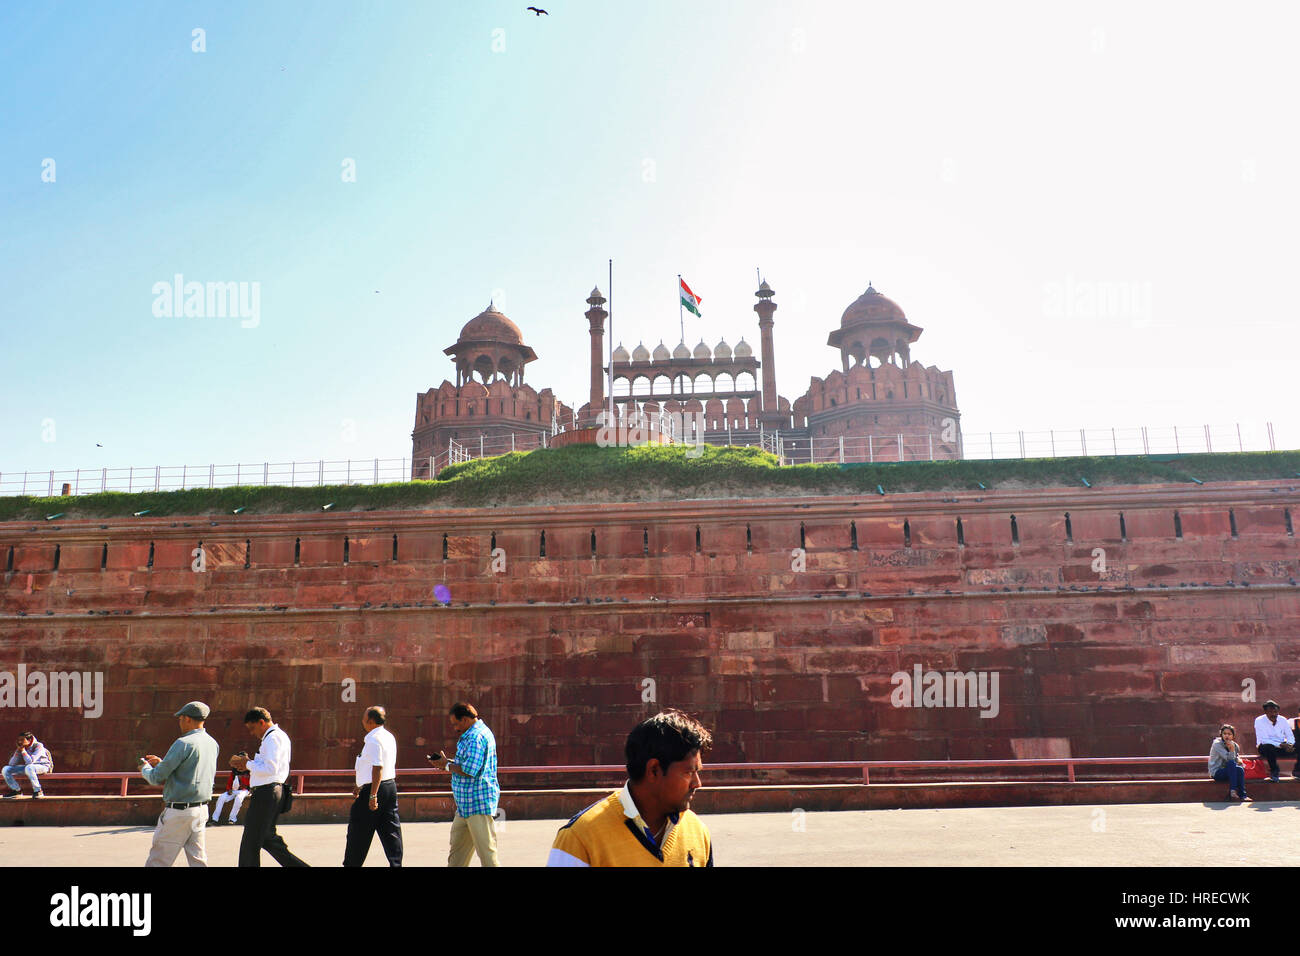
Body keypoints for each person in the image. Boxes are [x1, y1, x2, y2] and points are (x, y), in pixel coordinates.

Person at [547, 709, 713, 867]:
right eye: (689, 772)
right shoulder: (580, 838)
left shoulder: (697, 831)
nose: (697, 783)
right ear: (654, 770)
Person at [140, 701, 220, 867]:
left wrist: (144, 768)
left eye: (181, 718)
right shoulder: (212, 743)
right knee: (198, 861)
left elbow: (156, 777)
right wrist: (163, 763)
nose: (180, 722)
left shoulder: (183, 743)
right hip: (201, 810)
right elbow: (191, 769)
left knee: (159, 860)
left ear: (188, 719)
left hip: (179, 811)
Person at [231, 707, 309, 867]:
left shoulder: (272, 739)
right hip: (270, 791)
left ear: (261, 722)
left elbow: (270, 768)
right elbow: (267, 766)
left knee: (250, 842)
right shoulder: (275, 737)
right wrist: (248, 763)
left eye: (252, 728)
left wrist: (247, 764)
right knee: (266, 838)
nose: (252, 733)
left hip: (266, 793)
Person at [428, 702, 500, 867]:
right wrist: (447, 763)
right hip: (466, 806)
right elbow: (467, 764)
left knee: (488, 856)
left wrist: (446, 766)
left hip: (477, 804)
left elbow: (470, 770)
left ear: (466, 719)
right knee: (457, 857)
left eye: (456, 723)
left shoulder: (476, 737)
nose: (455, 728)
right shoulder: (475, 733)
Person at [343, 705, 403, 867]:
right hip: (389, 787)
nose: (362, 721)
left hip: (375, 789)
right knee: (391, 831)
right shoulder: (388, 736)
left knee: (358, 833)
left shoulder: (373, 739)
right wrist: (359, 784)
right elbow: (369, 765)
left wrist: (372, 795)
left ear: (369, 721)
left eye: (364, 718)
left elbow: (377, 767)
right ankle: (396, 864)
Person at [1253, 700, 1299, 782]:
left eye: (1275, 712)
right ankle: (1274, 771)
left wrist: (1289, 744)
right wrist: (1281, 745)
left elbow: (1290, 736)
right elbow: (1264, 740)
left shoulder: (1283, 720)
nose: (1273, 714)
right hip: (1265, 747)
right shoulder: (1259, 721)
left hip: (1282, 747)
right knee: (1268, 747)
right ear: (1265, 712)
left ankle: (1297, 770)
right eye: (1270, 712)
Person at [2, 732, 52, 798]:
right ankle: (17, 791)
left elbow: (31, 761)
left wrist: (23, 751)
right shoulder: (22, 747)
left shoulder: (38, 746)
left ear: (29, 740)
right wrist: (18, 751)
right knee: (6, 769)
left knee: (29, 767)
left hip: (43, 766)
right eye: (19, 740)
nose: (20, 742)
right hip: (29, 767)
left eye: (22, 740)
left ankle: (38, 791)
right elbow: (12, 763)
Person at [1208, 723, 1251, 802]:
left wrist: (1239, 759)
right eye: (1224, 734)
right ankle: (1233, 791)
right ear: (1221, 734)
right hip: (1217, 772)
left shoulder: (1235, 745)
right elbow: (1229, 759)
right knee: (1231, 763)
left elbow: (1236, 758)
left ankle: (1243, 795)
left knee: (1240, 769)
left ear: (1233, 736)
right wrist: (1231, 750)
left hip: (1230, 771)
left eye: (1229, 734)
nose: (1226, 736)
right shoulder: (1217, 744)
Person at [210, 754, 250, 825]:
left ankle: (232, 819)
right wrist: (229, 789)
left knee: (238, 798)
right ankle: (214, 819)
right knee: (222, 797)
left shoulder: (249, 769)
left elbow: (251, 782)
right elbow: (230, 780)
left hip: (244, 790)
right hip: (233, 790)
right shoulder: (234, 770)